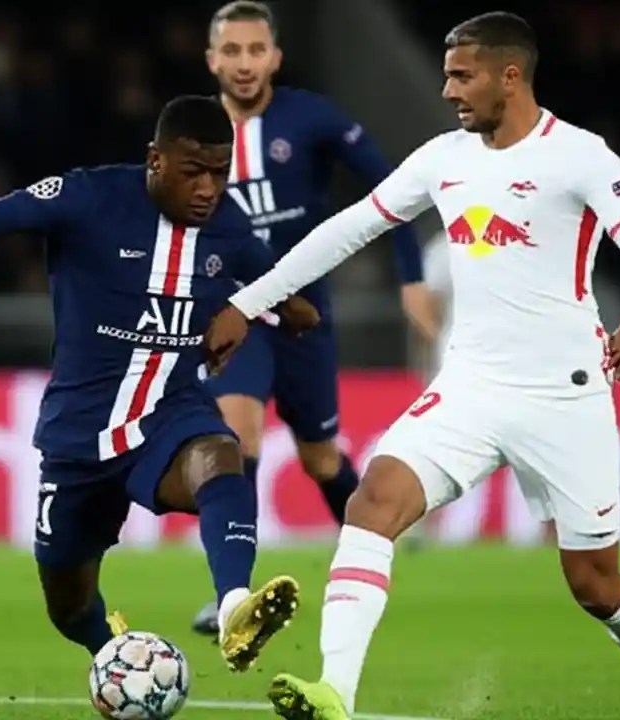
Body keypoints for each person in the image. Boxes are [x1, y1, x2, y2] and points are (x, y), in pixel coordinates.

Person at [204, 12, 620, 720]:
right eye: (446, 74)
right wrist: (249, 303)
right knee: (371, 501)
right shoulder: (445, 158)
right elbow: (349, 228)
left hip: (566, 393)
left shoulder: (582, 156)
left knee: (594, 583)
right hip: (469, 385)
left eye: (462, 75)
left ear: (510, 75)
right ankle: (334, 692)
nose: (448, 90)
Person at [0, 95, 314, 672]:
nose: (207, 189)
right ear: (155, 161)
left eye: (220, 174)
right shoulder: (86, 198)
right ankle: (117, 660)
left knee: (221, 456)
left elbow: (290, 297)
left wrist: (251, 309)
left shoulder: (229, 229)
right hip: (78, 436)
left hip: (168, 414)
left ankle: (232, 609)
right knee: (69, 608)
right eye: (193, 172)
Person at [191, 0, 440, 635]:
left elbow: (391, 191)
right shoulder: (191, 135)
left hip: (304, 316)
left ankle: (370, 561)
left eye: (256, 51)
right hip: (235, 315)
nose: (244, 64)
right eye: (232, 52)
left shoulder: (311, 117)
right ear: (212, 59)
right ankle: (231, 595)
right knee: (234, 438)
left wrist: (411, 280)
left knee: (321, 459)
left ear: (274, 56)